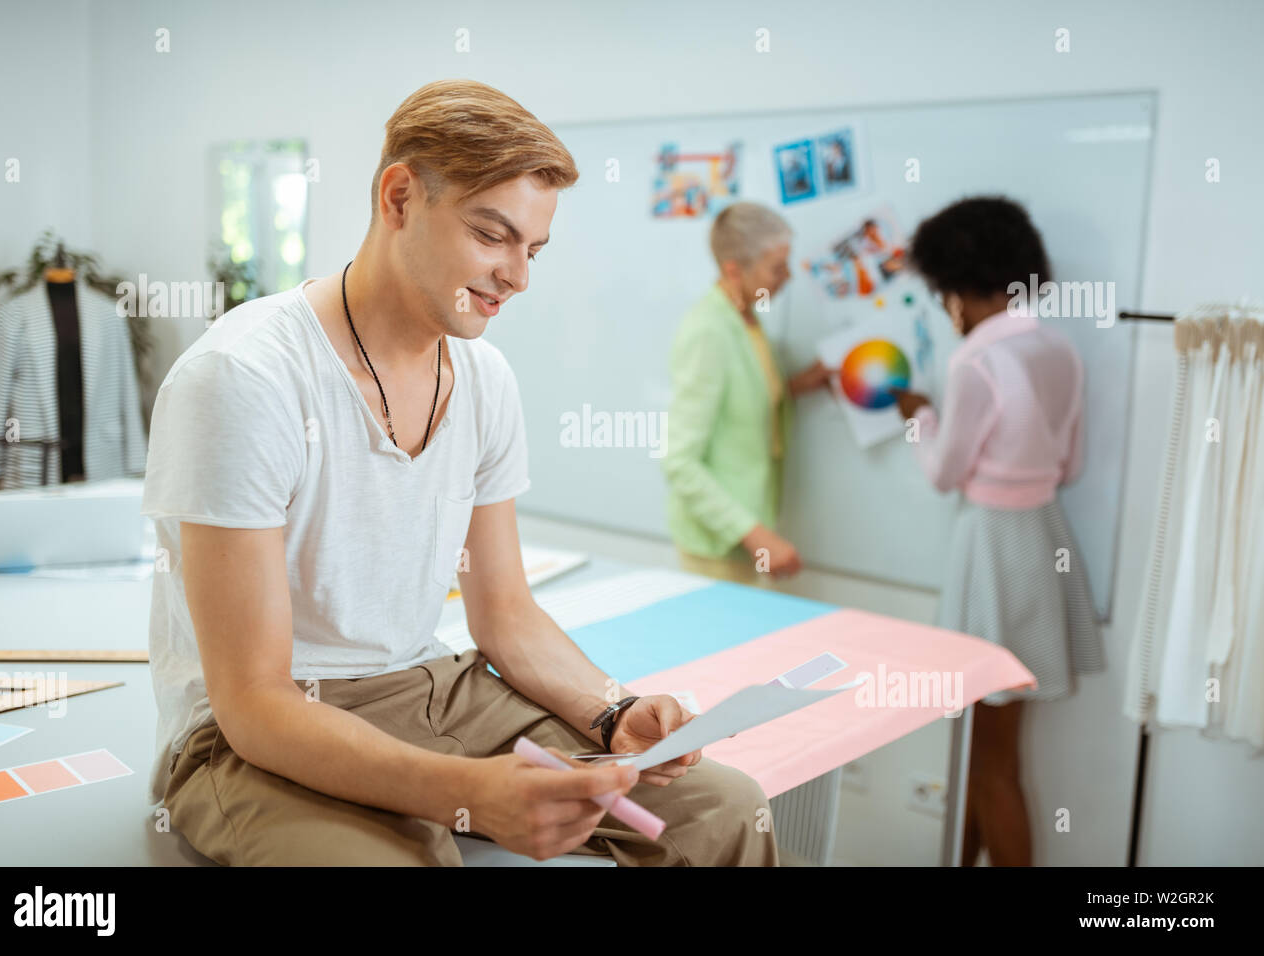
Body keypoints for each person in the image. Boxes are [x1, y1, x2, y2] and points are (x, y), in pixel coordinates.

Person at [141, 79, 777, 866]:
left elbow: (505, 615)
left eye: (533, 250)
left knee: (726, 810)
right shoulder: (243, 378)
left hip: (430, 684)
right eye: (492, 235)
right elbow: (254, 702)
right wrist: (466, 791)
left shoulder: (484, 379)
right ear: (399, 197)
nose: (518, 276)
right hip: (256, 733)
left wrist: (615, 712)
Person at [891, 196, 1104, 866]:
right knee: (993, 748)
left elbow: (943, 474)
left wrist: (918, 421)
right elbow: (1071, 464)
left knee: (986, 760)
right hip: (1044, 540)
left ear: (955, 286)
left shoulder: (974, 362)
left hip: (990, 551)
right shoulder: (1058, 348)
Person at [663, 201, 833, 586]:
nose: (787, 278)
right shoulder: (708, 332)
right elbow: (679, 463)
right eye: (776, 268)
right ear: (733, 270)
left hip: (748, 526)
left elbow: (742, 398)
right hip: (719, 546)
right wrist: (757, 537)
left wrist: (796, 386)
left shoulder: (748, 320)